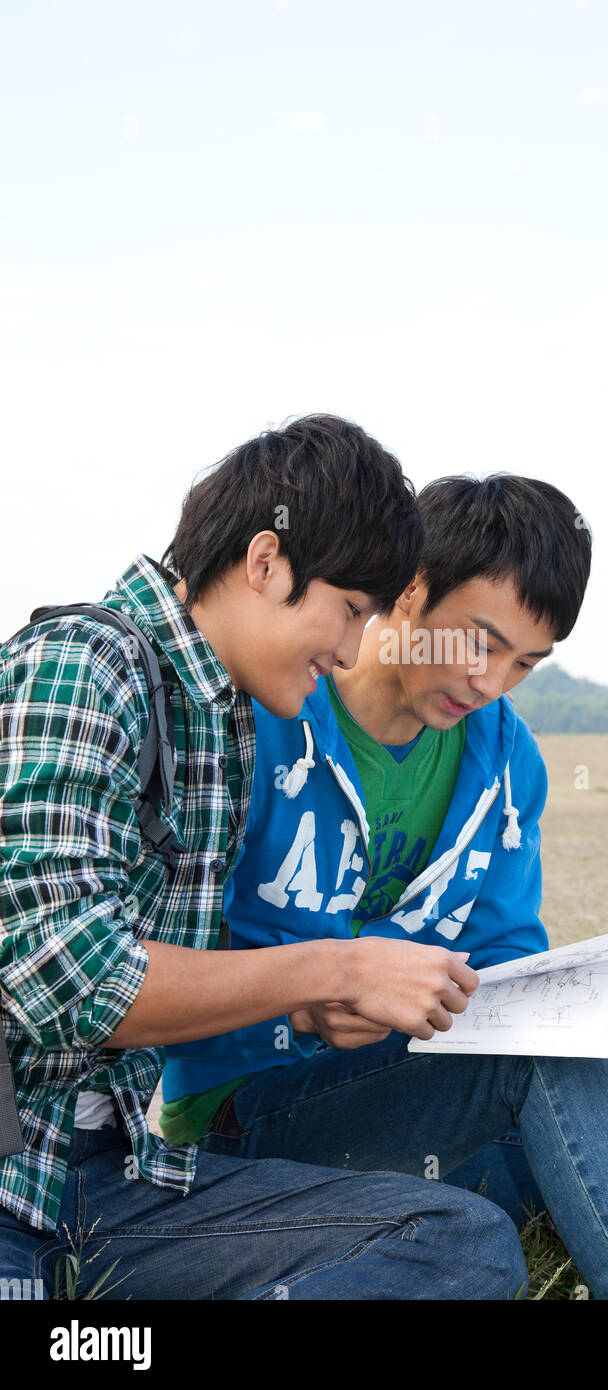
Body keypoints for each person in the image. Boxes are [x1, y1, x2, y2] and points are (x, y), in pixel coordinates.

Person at [163, 473, 608, 1301]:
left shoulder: (510, 762)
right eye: (478, 641)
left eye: (524, 664)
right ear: (408, 590)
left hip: (430, 1118)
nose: (489, 682)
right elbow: (166, 948)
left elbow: (508, 963)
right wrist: (314, 990)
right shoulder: (270, 712)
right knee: (538, 1051)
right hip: (250, 1118)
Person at [0, 417, 529, 1301]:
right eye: (350, 611)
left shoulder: (227, 716)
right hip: (14, 1173)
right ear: (265, 562)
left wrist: (324, 1003)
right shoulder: (83, 664)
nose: (354, 651)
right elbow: (64, 980)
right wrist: (333, 968)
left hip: (119, 1178)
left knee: (460, 1242)